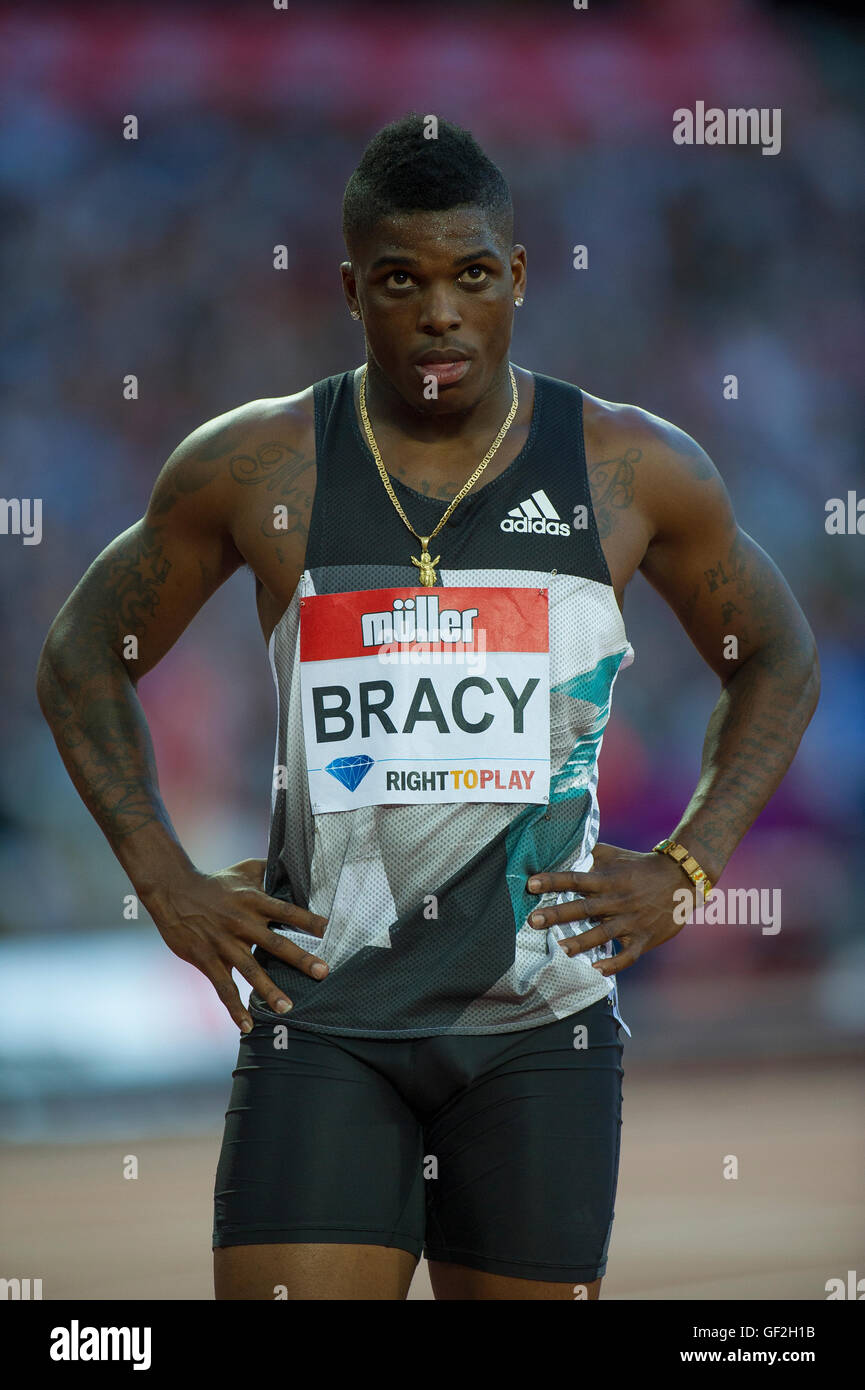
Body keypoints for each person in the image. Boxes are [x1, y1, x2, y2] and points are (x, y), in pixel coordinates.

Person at [35, 114, 819, 1301]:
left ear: (517, 277)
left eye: (468, 277)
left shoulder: (626, 467)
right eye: (400, 281)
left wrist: (691, 864)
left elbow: (776, 656)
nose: (438, 313)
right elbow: (82, 652)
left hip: (536, 1027)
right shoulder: (259, 466)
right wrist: (163, 876)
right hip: (325, 1017)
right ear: (351, 289)